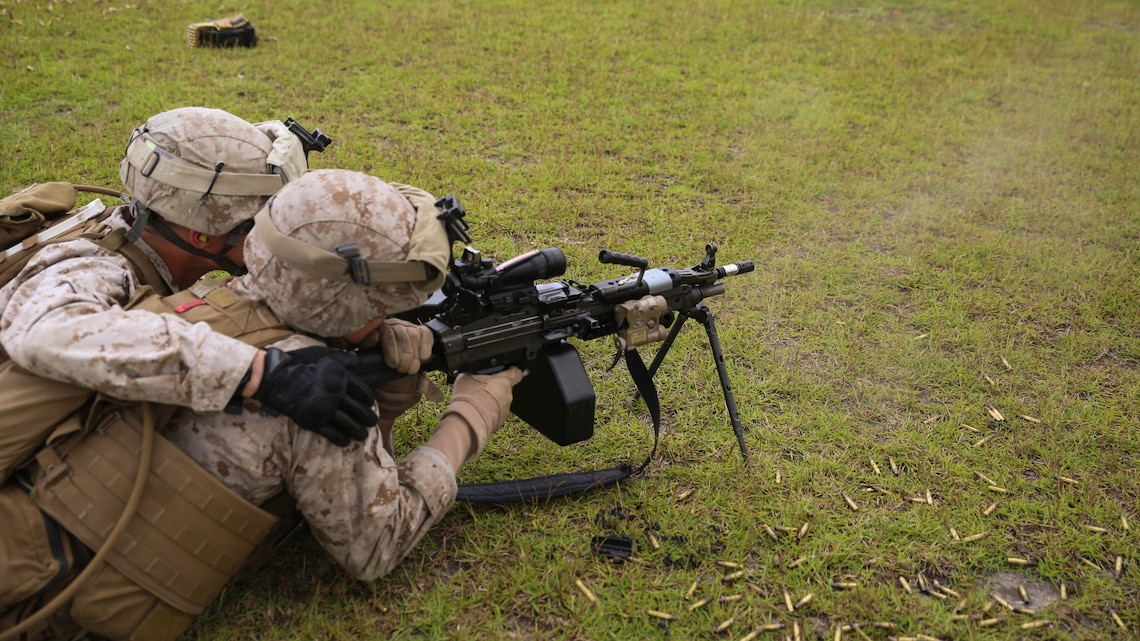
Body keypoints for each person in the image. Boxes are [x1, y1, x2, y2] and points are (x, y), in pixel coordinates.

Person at [0, 170, 523, 641]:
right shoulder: (312, 396)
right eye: (390, 304)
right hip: (44, 607)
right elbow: (375, 545)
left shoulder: (199, 305)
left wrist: (380, 380)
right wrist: (472, 415)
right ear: (348, 302)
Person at [0, 107, 380, 451]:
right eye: (267, 220)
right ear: (204, 234)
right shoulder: (98, 270)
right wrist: (258, 373)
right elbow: (48, 334)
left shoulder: (139, 234)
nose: (283, 233)